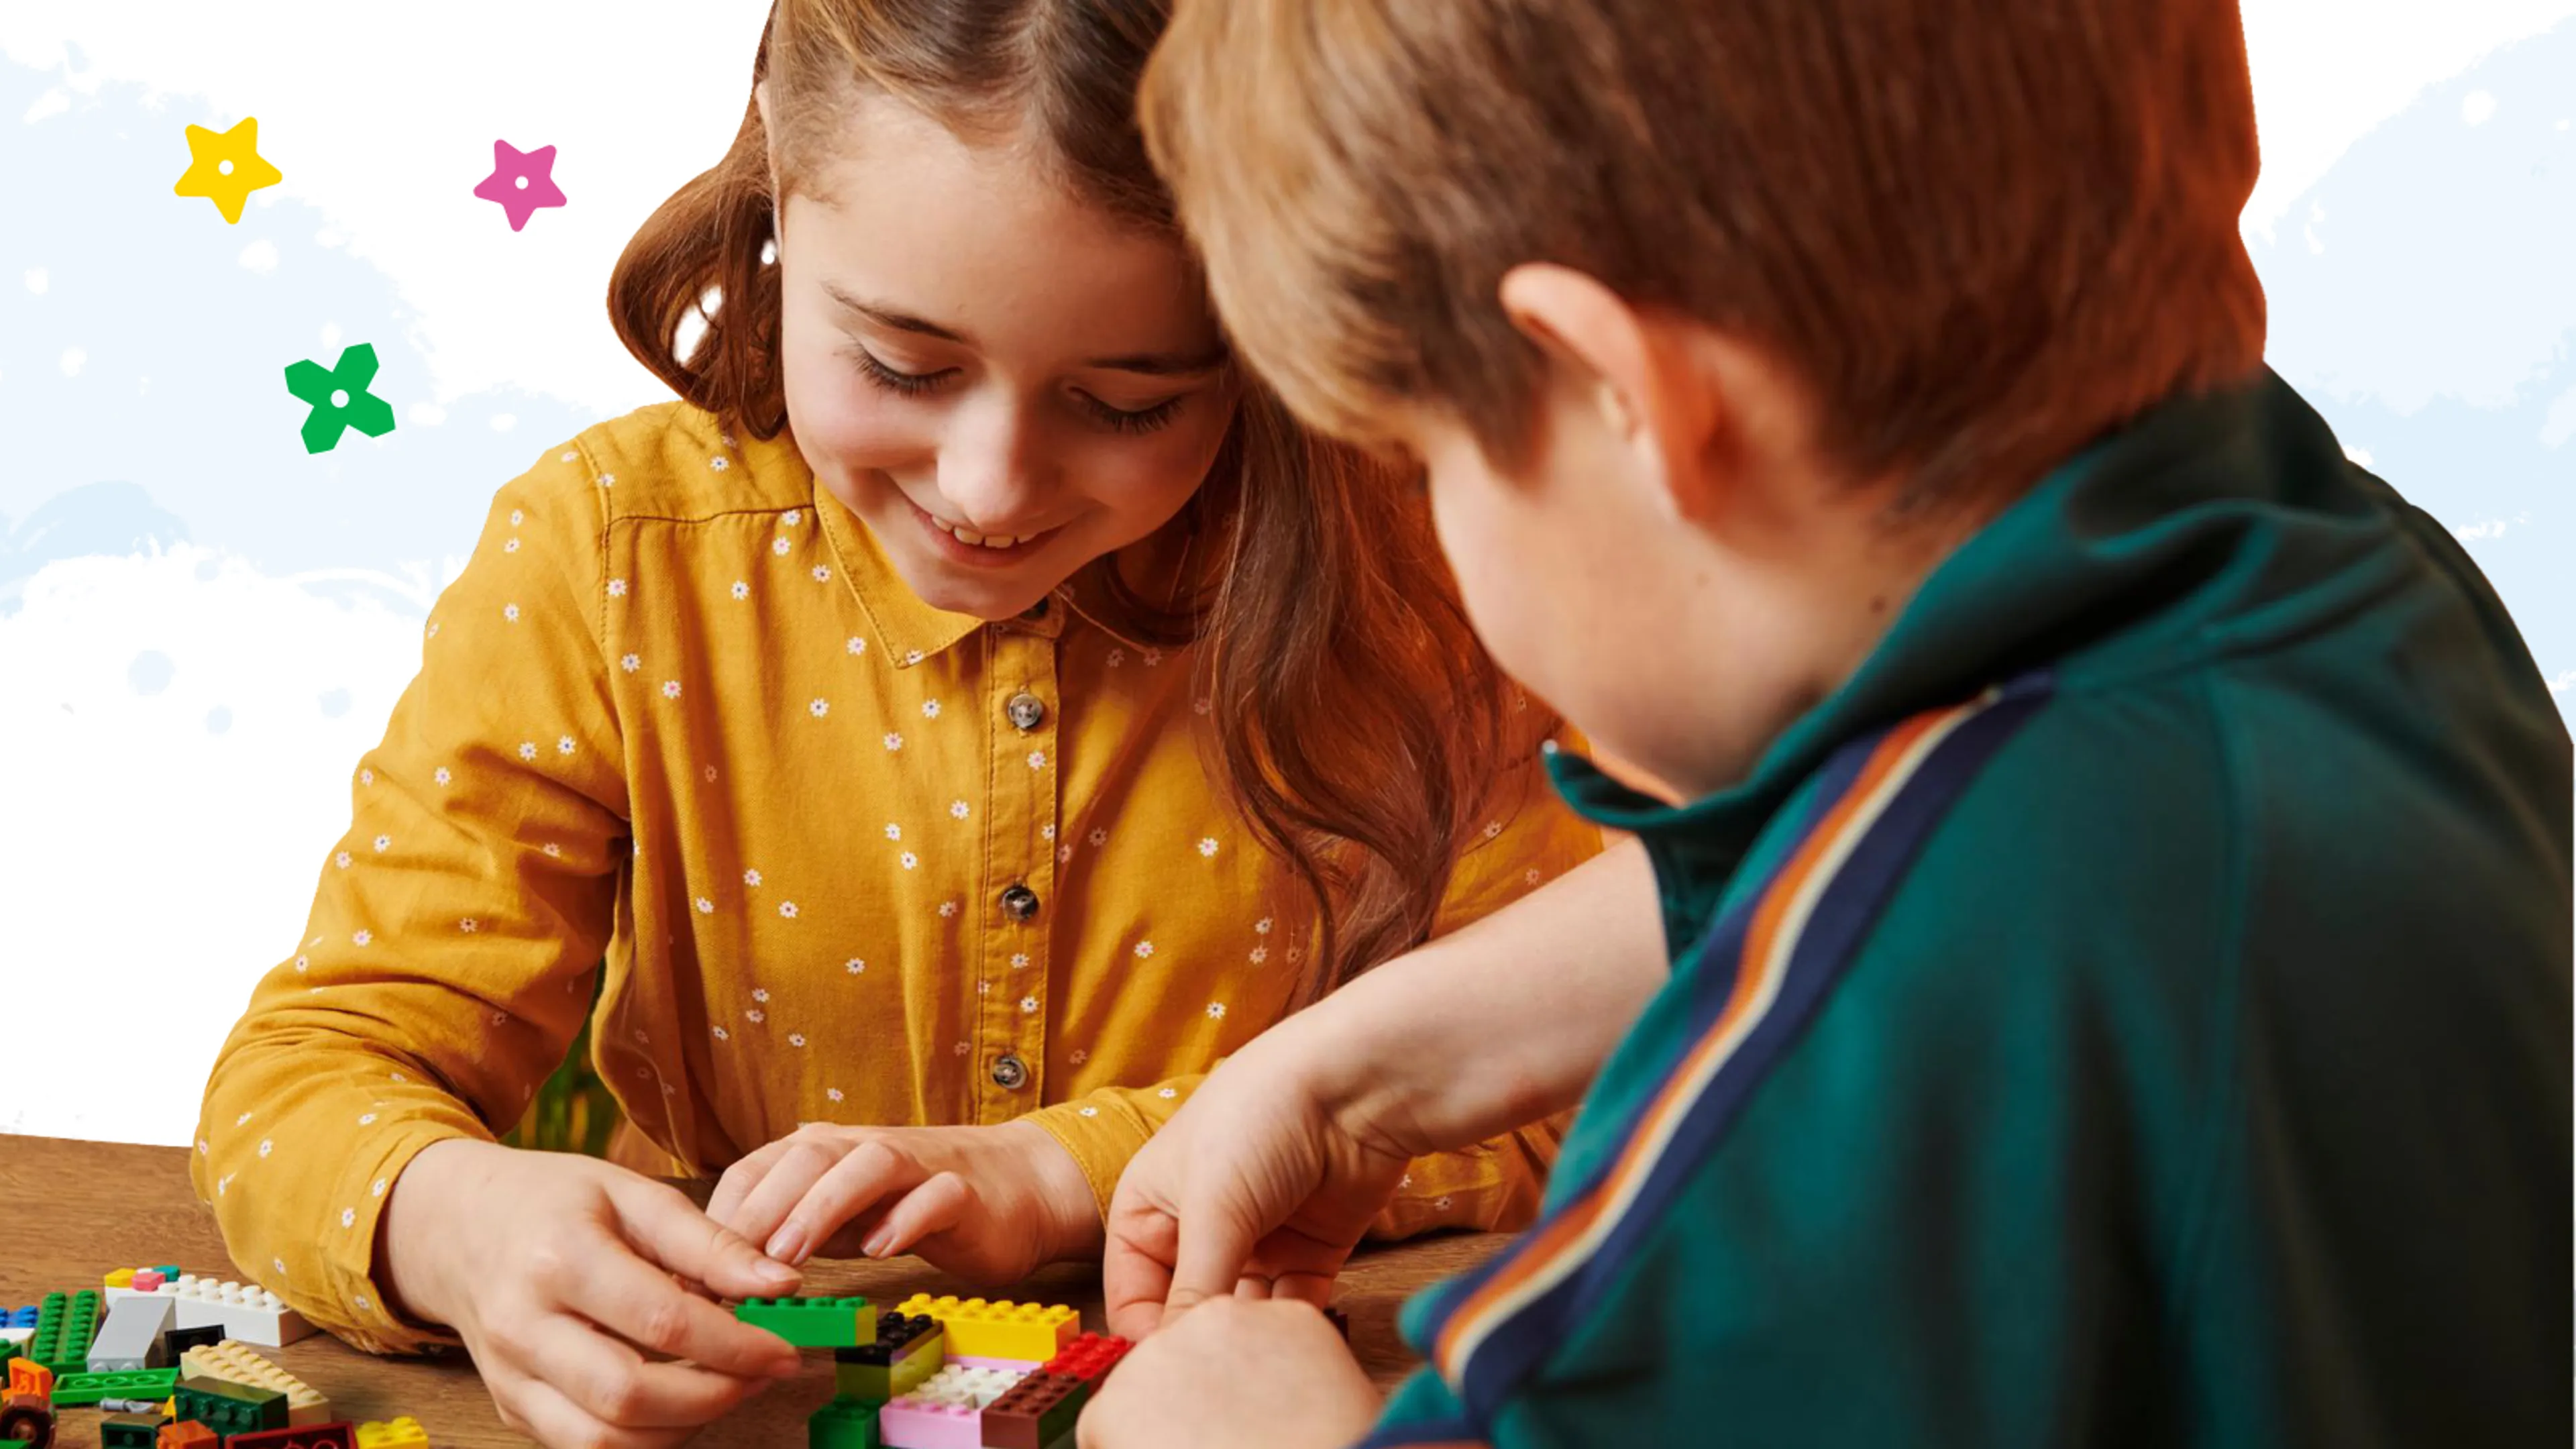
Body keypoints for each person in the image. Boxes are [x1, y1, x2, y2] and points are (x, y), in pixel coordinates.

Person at [1083, 0, 2575, 1444]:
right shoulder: (2349, 586)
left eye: (1423, 459)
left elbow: (1917, 936)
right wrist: (1363, 1068)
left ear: (1629, 403)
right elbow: (1955, 852)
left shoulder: (1918, 1009)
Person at [188, 3, 1605, 1444]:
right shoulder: (609, 556)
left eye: (1125, 404)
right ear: (777, 207)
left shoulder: (1426, 581)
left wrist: (1067, 1170)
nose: (989, 490)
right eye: (905, 368)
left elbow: (1594, 1068)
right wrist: (449, 1226)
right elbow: (307, 1079)